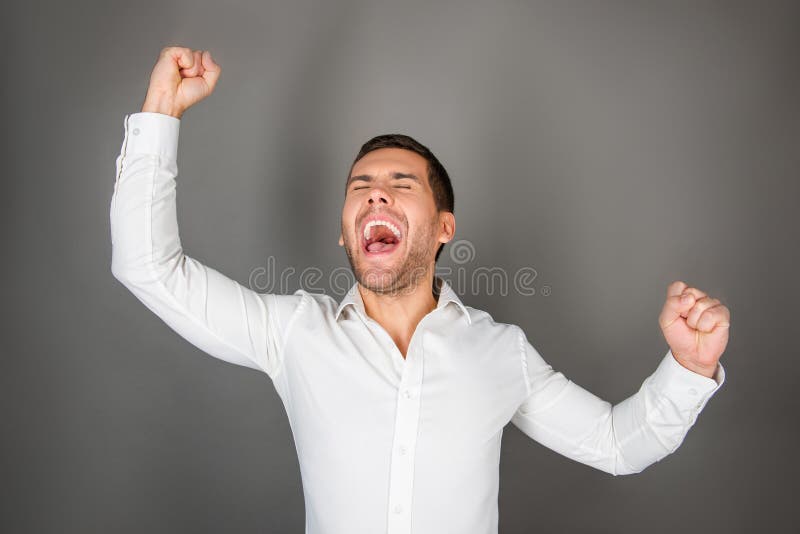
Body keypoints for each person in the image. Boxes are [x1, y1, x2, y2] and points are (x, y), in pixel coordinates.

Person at [110, 46, 730, 534]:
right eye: (360, 186)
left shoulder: (500, 351)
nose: (375, 193)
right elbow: (148, 266)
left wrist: (688, 367)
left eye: (401, 183)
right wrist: (161, 108)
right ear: (344, 232)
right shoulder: (293, 332)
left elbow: (619, 444)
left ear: (442, 227)